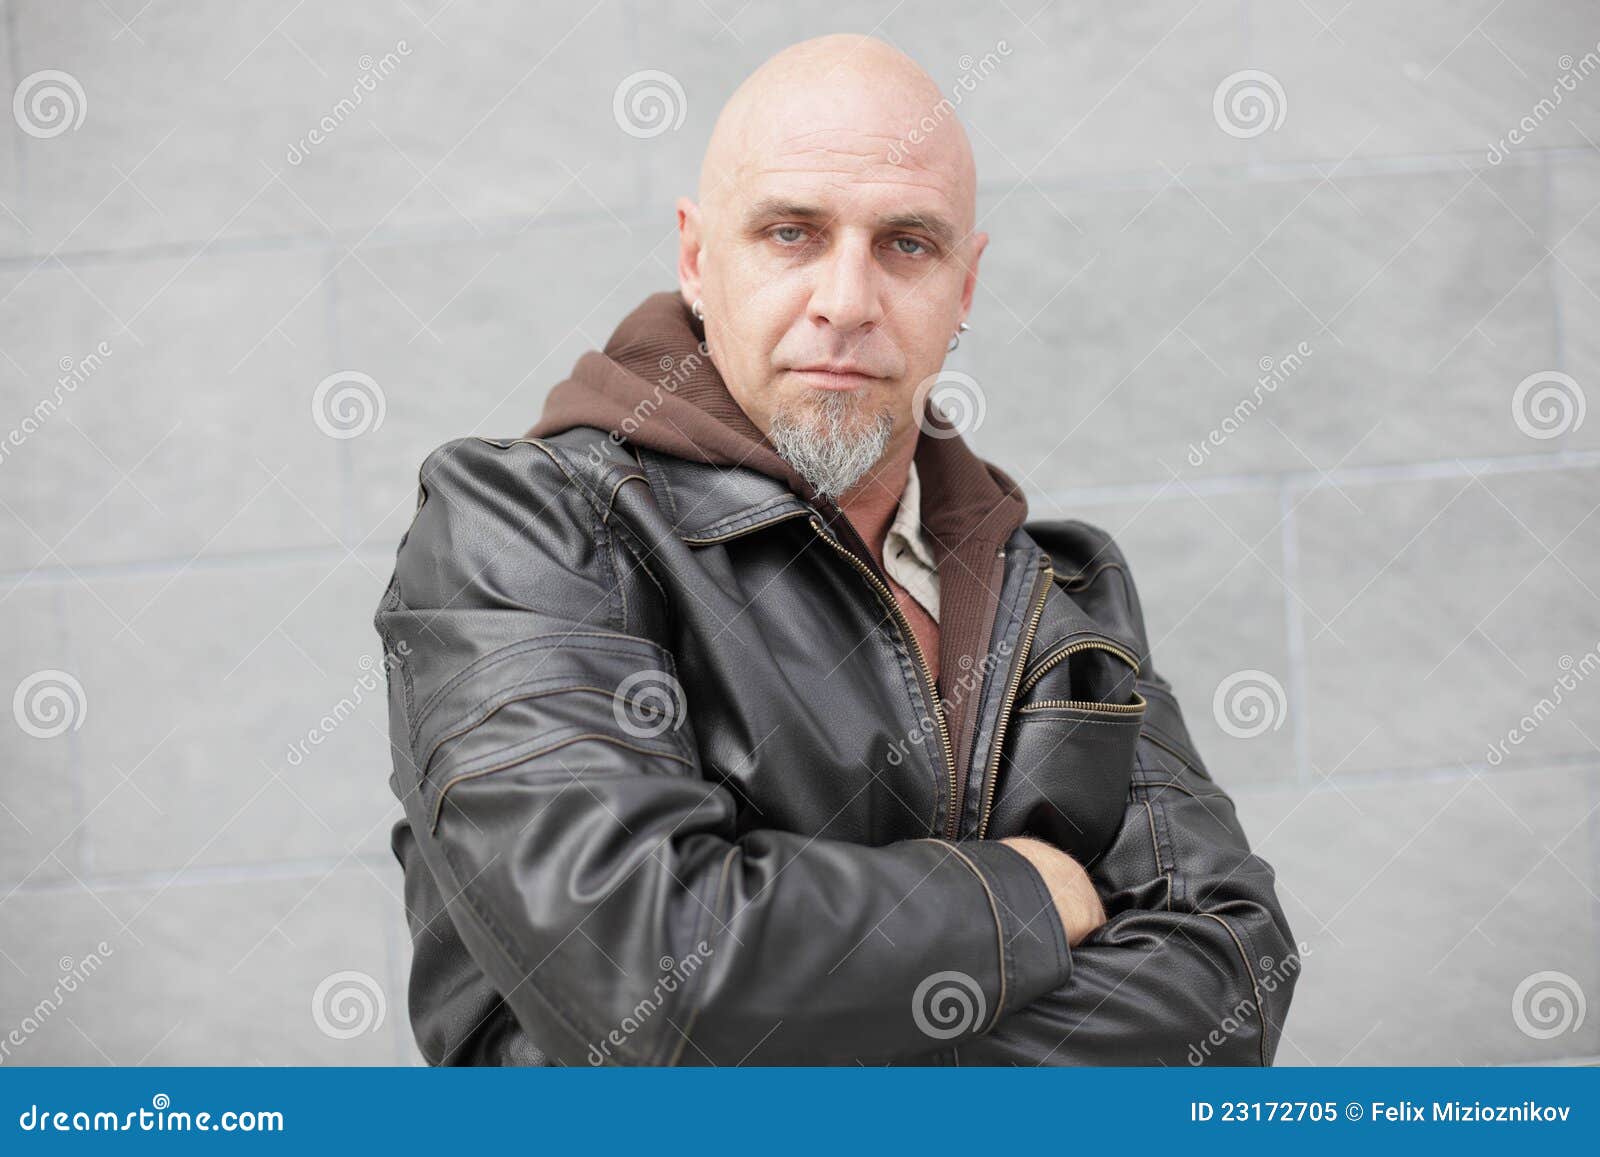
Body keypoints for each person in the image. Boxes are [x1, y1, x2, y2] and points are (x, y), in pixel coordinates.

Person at [374, 33, 1297, 1066]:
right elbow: (652, 979)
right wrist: (1025, 893)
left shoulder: (1057, 591)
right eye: (790, 233)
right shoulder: (527, 524)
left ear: (966, 286)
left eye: (906, 243)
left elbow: (1231, 976)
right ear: (695, 256)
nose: (847, 300)